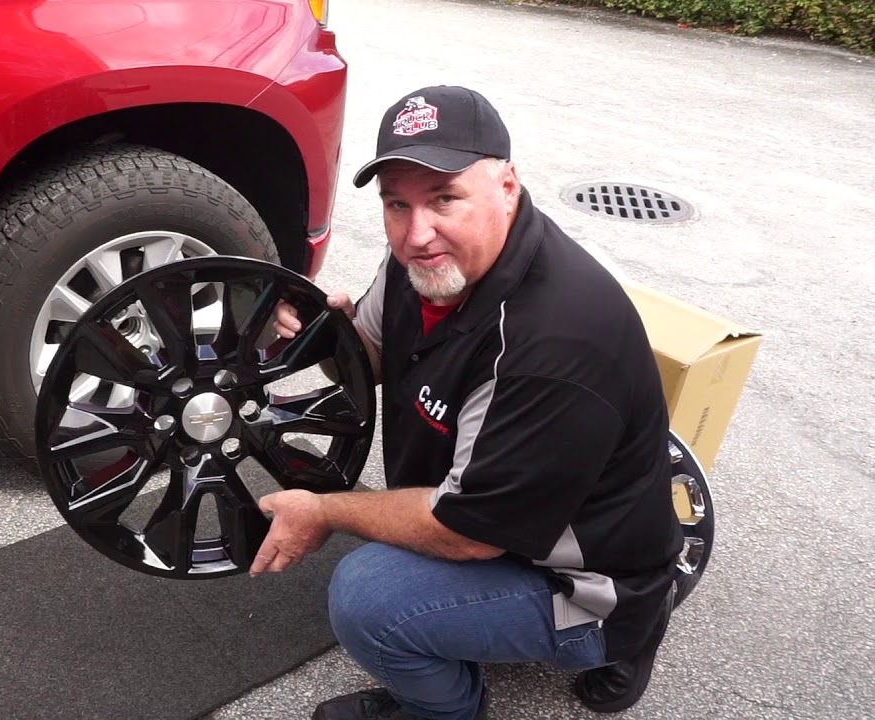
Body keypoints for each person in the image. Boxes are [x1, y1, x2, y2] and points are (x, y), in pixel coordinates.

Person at [249, 86, 685, 720]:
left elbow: (465, 537)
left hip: (587, 581)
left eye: (444, 198)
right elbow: (370, 360)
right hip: (504, 504)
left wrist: (323, 512)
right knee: (399, 546)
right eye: (397, 203)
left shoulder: (551, 343)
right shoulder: (426, 262)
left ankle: (460, 705)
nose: (417, 233)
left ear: (507, 187)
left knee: (369, 598)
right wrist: (323, 335)